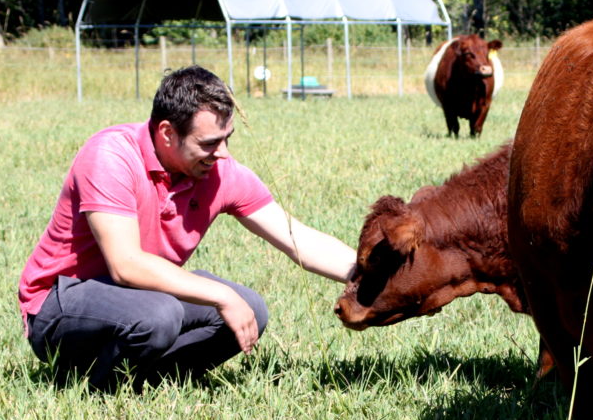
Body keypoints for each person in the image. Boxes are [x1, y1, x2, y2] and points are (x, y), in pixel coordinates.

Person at [18, 65, 355, 388]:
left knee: (250, 307)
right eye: (208, 143)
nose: (222, 153)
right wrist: (223, 296)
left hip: (138, 298)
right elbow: (126, 265)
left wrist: (375, 272)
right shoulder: (111, 155)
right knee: (159, 314)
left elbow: (300, 240)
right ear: (167, 133)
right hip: (60, 303)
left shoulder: (219, 172)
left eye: (227, 138)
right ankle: (96, 388)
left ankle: (151, 383)